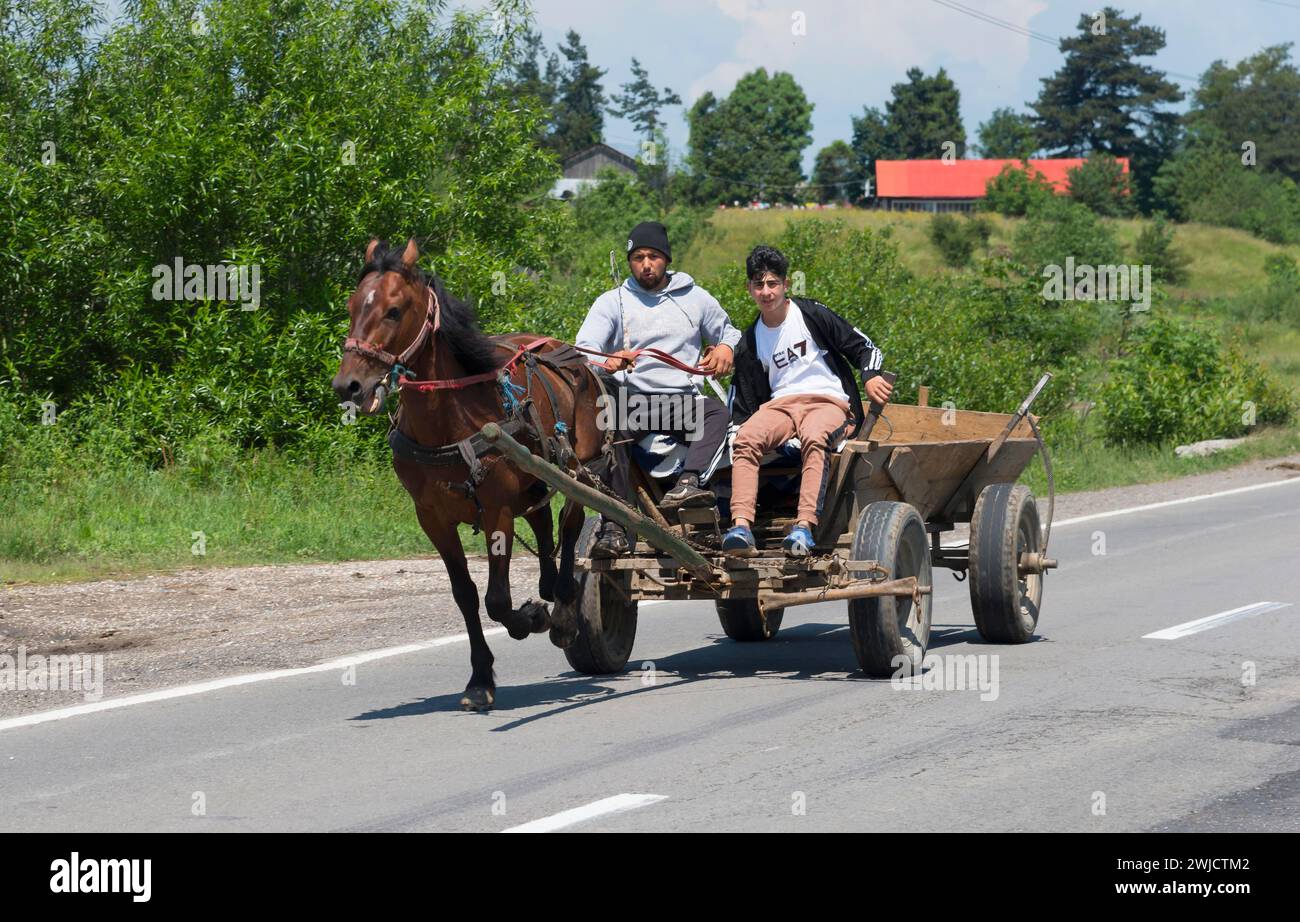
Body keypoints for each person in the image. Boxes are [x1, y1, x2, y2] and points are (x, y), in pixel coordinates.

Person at [575, 221, 741, 557]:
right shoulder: (613, 302)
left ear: (666, 258)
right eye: (637, 257)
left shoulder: (695, 298)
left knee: (717, 413)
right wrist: (608, 360)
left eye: (653, 256)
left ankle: (688, 484)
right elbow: (584, 349)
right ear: (629, 261)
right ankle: (614, 526)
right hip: (633, 403)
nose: (646, 264)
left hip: (681, 402)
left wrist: (725, 349)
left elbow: (730, 333)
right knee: (607, 428)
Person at [723, 245, 892, 557]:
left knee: (815, 437)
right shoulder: (750, 341)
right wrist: (737, 428)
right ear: (749, 289)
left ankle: (804, 526)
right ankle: (741, 527)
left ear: (786, 285)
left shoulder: (812, 314)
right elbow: (744, 403)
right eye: (758, 285)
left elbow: (863, 346)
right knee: (746, 439)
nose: (766, 291)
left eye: (772, 283)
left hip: (827, 402)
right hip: (781, 407)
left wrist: (870, 374)